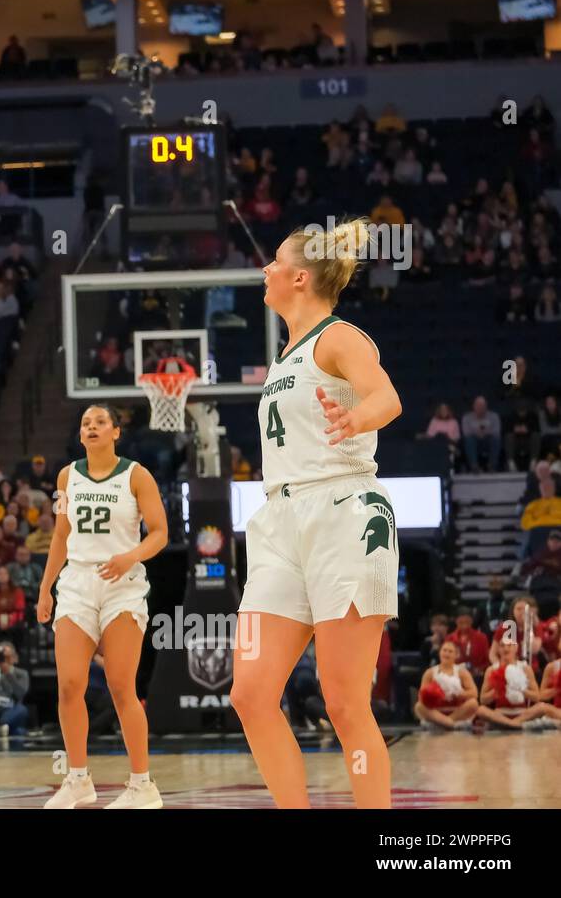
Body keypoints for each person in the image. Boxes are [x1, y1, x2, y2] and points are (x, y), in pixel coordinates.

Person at [232, 218, 403, 809]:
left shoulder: (339, 337)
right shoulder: (283, 355)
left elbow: (386, 396)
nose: (265, 269)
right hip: (279, 521)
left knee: (345, 702)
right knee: (250, 694)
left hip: (344, 509)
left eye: (274, 261)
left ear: (299, 277)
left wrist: (359, 418)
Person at [37, 405, 168, 809]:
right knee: (69, 685)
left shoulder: (136, 475)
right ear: (80, 436)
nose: (91, 428)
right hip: (76, 583)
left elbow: (160, 533)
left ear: (115, 432)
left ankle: (142, 785)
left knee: (120, 686)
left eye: (99, 423)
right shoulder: (67, 476)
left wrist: (131, 556)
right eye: (85, 424)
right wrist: (46, 589)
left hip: (122, 585)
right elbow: (61, 534)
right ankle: (78, 780)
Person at [413, 640, 477, 730]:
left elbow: (474, 693)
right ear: (440, 653)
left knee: (473, 704)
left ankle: (446, 722)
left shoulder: (462, 672)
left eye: (450, 651)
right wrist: (434, 694)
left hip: (457, 711)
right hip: (435, 711)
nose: (447, 653)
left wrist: (459, 694)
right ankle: (449, 723)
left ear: (456, 655)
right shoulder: (430, 672)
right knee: (419, 706)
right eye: (444, 650)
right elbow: (421, 696)